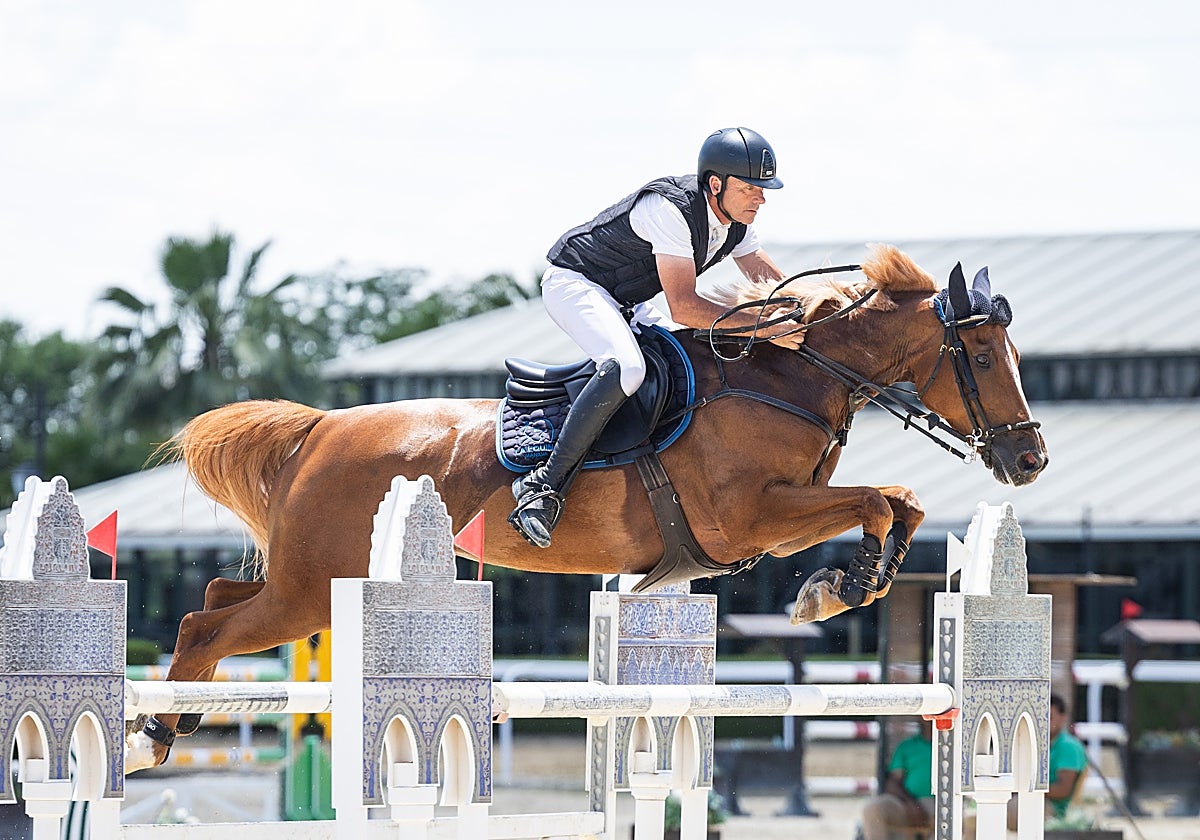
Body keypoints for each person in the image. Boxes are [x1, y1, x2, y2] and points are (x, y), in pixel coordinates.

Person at [509, 126, 803, 548]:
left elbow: (769, 278)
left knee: (694, 359)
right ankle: (542, 488)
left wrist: (817, 308)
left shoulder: (737, 222)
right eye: (751, 188)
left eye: (763, 188)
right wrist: (765, 328)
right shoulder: (670, 209)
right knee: (628, 368)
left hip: (625, 299)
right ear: (715, 185)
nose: (761, 197)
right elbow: (685, 307)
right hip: (575, 283)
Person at [1007, 692, 1089, 828]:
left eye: (1049, 717)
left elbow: (1063, 790)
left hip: (1053, 808)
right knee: (975, 816)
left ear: (1063, 718)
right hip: (1032, 798)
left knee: (997, 812)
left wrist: (1026, 788)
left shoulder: (1068, 746)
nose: (1043, 722)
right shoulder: (1037, 742)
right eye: (1040, 717)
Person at [860, 718, 936, 840]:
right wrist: (910, 803)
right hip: (907, 802)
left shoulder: (954, 746)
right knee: (872, 809)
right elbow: (893, 781)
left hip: (941, 803)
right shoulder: (907, 746)